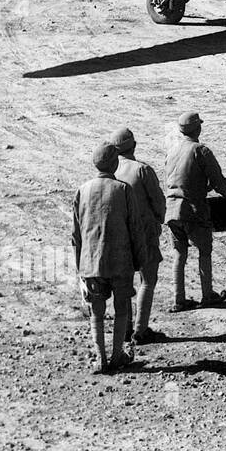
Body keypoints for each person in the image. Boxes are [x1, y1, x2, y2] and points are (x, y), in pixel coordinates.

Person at [73, 143, 147, 374]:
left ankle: (100, 359)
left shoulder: (82, 190)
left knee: (96, 310)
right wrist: (139, 260)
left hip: (91, 262)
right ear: (115, 163)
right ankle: (117, 354)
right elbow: (135, 228)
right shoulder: (123, 190)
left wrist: (81, 265)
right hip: (120, 261)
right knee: (121, 307)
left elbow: (76, 234)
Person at [164, 111, 226, 312]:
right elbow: (218, 182)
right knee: (204, 251)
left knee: (179, 253)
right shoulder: (201, 150)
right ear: (198, 128)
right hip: (193, 210)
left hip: (172, 210)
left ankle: (178, 298)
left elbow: (181, 180)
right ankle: (207, 294)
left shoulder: (172, 151)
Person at [108, 127, 167, 346]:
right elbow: (158, 202)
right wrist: (159, 220)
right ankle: (141, 331)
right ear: (134, 145)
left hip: (120, 235)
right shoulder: (142, 170)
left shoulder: (110, 170)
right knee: (148, 280)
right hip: (144, 232)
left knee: (124, 283)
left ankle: (125, 328)